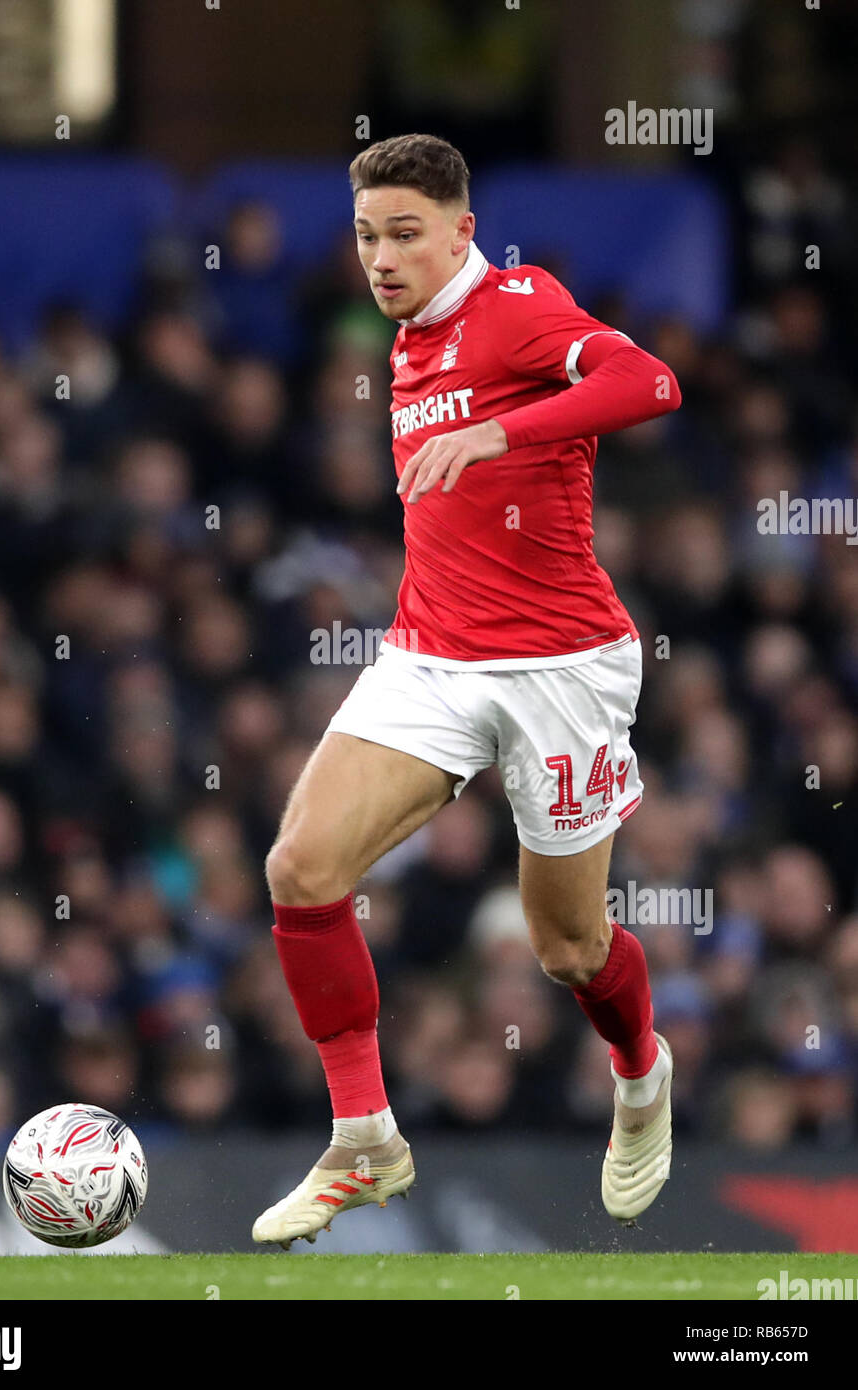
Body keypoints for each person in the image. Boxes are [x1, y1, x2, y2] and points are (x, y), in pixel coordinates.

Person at [253, 134, 680, 1248]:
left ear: (460, 231)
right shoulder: (404, 342)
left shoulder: (522, 305)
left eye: (404, 234)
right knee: (300, 866)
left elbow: (651, 382)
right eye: (364, 236)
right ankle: (364, 1137)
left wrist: (500, 427)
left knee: (566, 949)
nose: (381, 258)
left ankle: (640, 1072)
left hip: (563, 669)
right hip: (432, 657)